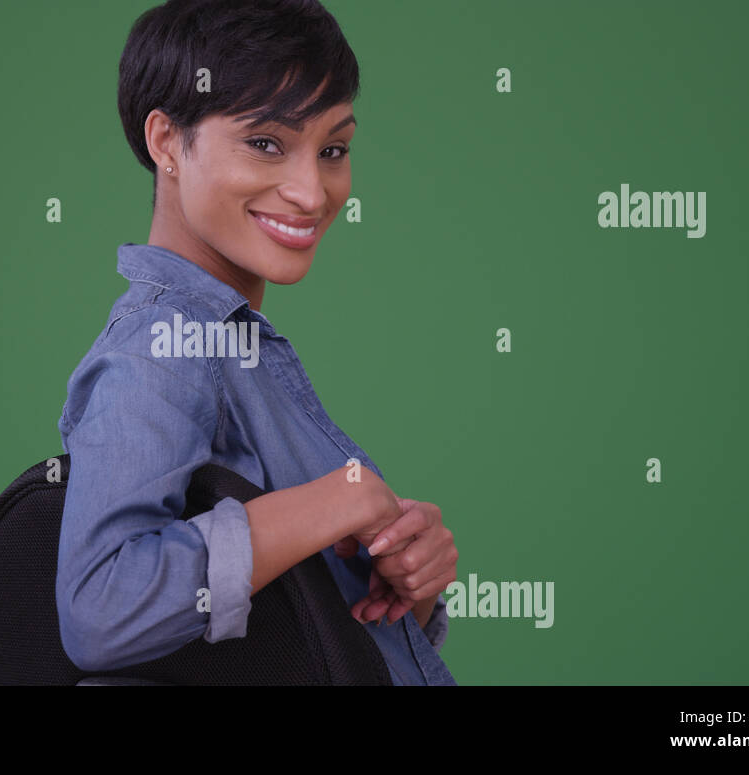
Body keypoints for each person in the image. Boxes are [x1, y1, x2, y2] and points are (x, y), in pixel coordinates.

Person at [55, 0, 459, 685]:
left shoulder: (232, 343)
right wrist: (331, 501)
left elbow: (297, 639)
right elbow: (100, 608)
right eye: (266, 143)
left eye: (332, 149)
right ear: (165, 143)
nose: (310, 191)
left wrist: (406, 585)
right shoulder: (163, 346)